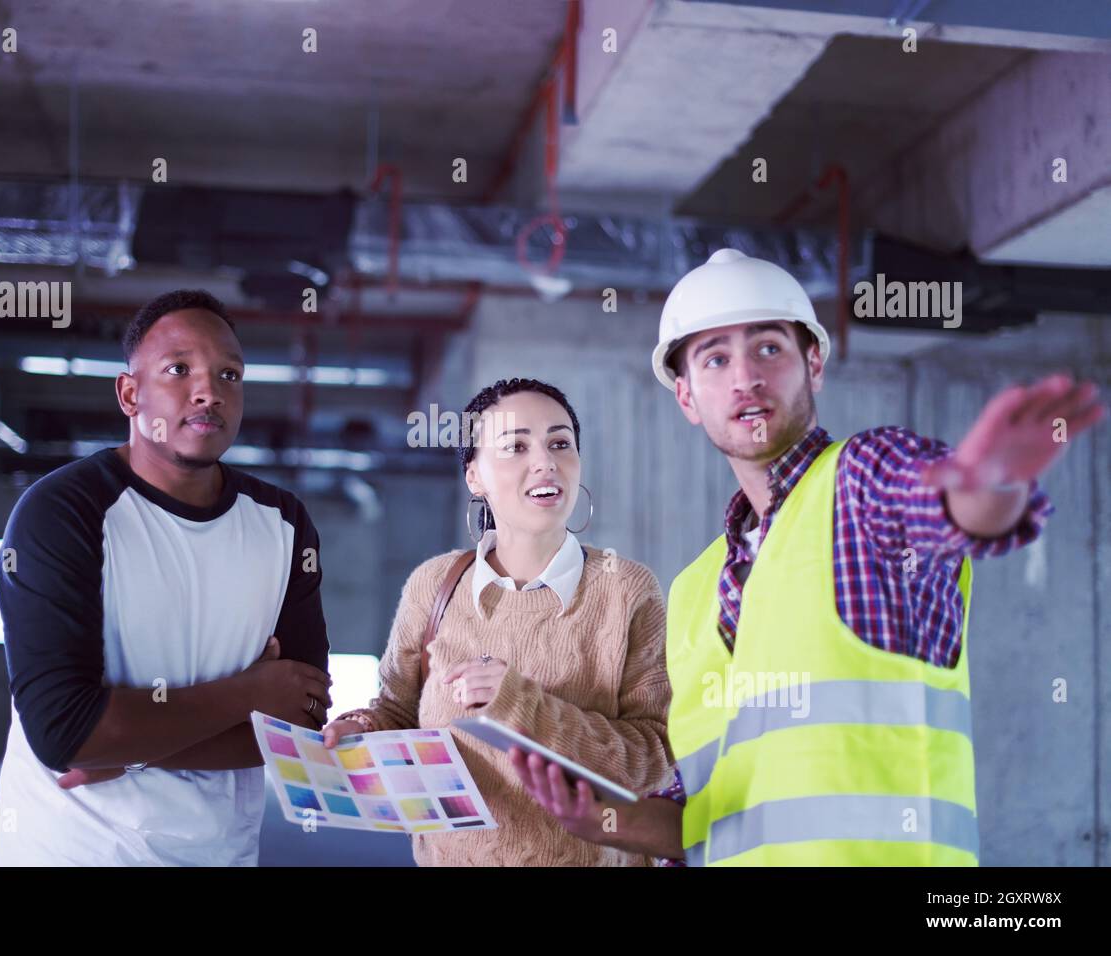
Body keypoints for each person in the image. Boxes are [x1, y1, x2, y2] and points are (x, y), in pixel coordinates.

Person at [513, 248, 1105, 866]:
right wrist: (603, 817)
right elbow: (709, 822)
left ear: (814, 364)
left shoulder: (861, 484)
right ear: (687, 397)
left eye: (768, 348)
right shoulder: (692, 593)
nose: (745, 377)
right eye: (716, 359)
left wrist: (984, 482)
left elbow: (940, 503)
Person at [0, 289, 332, 866]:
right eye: (179, 370)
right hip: (72, 852)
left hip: (219, 855)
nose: (209, 391)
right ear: (130, 392)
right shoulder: (64, 512)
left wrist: (127, 751)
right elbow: (64, 735)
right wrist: (249, 693)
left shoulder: (283, 522)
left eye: (230, 375)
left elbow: (300, 721)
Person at [323, 378, 672, 865]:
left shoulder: (628, 589)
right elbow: (398, 712)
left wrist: (519, 704)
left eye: (559, 443)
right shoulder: (434, 584)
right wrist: (360, 728)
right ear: (475, 477)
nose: (546, 461)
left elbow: (652, 761)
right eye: (515, 447)